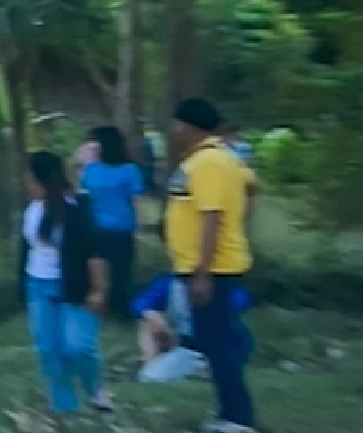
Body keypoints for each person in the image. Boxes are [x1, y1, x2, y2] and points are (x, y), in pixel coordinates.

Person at [165, 97, 257, 433]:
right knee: (213, 340)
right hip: (206, 267)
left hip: (212, 270)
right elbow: (252, 188)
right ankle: (229, 413)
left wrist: (203, 272)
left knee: (216, 343)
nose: (173, 132)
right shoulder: (217, 158)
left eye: (177, 125)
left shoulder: (208, 162)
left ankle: (237, 417)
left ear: (190, 127)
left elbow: (211, 217)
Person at [20, 151, 113, 414]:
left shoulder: (76, 208)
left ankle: (96, 389)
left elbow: (94, 251)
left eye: (29, 176)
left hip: (73, 286)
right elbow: (27, 250)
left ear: (40, 178)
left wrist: (99, 290)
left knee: (77, 346)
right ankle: (64, 406)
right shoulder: (32, 210)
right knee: (48, 349)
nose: (25, 182)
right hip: (38, 285)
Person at [132, 272, 252, 381]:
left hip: (217, 343)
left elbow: (241, 301)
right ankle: (150, 365)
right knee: (149, 320)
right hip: (182, 343)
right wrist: (156, 319)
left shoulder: (221, 284)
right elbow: (139, 305)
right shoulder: (171, 283)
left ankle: (213, 366)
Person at [79, 126, 145, 323]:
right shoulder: (91, 169)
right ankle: (101, 309)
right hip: (95, 230)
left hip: (121, 230)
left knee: (121, 273)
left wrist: (138, 229)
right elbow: (83, 197)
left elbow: (136, 201)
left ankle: (122, 311)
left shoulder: (130, 170)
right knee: (98, 273)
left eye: (95, 141)